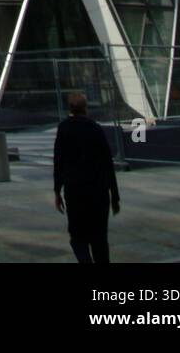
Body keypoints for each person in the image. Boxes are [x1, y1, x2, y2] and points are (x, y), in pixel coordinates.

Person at [54, 92, 120, 263]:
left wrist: (57, 191)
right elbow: (107, 163)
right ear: (86, 108)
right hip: (98, 191)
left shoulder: (64, 129)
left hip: (75, 191)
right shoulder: (95, 128)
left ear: (70, 109)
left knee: (77, 236)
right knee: (99, 238)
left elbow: (58, 162)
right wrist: (115, 196)